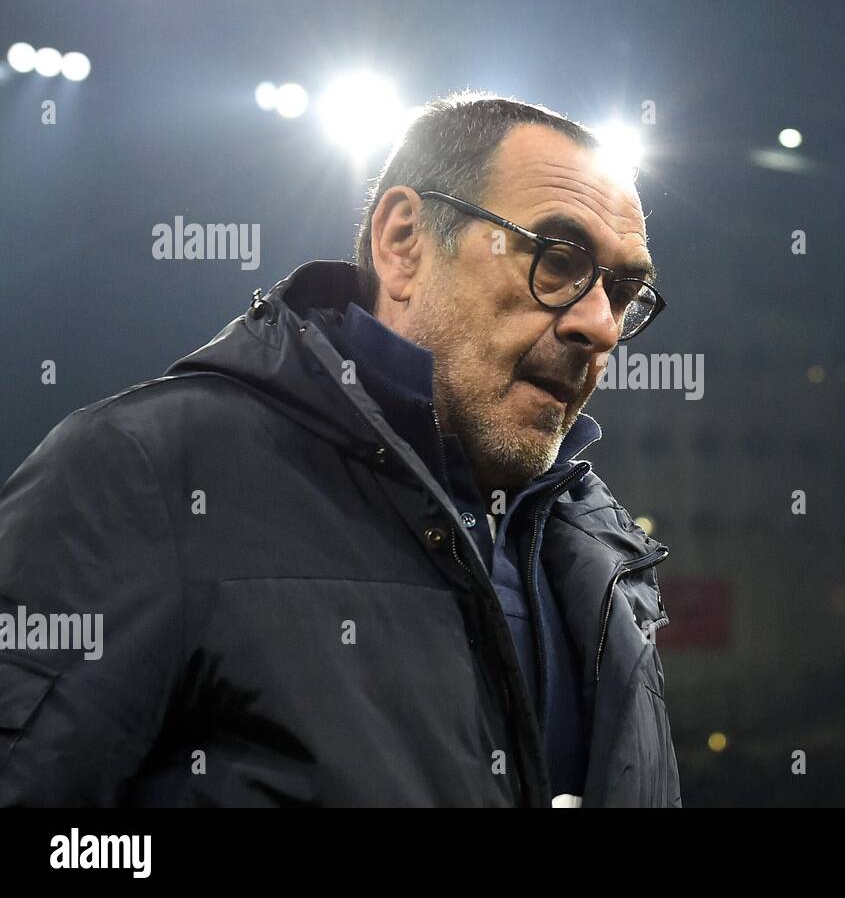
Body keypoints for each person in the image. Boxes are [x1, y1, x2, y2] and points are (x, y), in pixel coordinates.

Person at [0, 93, 680, 807]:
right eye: (558, 259)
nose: (601, 327)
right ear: (403, 243)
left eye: (623, 291)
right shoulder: (148, 473)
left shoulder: (608, 560)